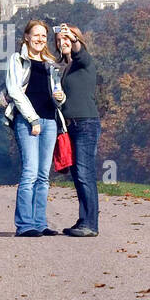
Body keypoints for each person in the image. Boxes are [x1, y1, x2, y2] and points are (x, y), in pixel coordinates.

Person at [3, 19, 66, 236]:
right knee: (29, 173)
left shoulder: (50, 62)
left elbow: (57, 91)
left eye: (43, 36)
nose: (40, 39)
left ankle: (40, 223)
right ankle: (24, 225)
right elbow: (15, 91)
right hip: (28, 121)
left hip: (49, 121)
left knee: (43, 176)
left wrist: (61, 96)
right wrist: (33, 119)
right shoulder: (17, 59)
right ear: (27, 37)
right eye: (36, 35)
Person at [54, 24, 100, 236]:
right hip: (71, 125)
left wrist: (72, 38)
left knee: (84, 174)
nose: (62, 43)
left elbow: (80, 53)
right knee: (78, 175)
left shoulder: (84, 62)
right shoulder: (67, 69)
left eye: (66, 39)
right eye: (59, 40)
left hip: (86, 124)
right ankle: (84, 220)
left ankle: (90, 224)